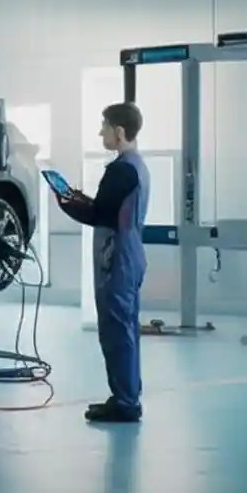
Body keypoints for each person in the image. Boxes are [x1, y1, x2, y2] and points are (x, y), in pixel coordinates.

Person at [57, 103, 150, 423]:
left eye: (104, 126)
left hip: (118, 259)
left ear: (119, 131)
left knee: (116, 331)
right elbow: (107, 205)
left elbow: (99, 214)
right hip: (131, 253)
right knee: (126, 329)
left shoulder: (121, 169)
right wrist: (80, 198)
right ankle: (128, 395)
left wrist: (66, 203)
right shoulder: (138, 166)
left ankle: (125, 403)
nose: (101, 132)